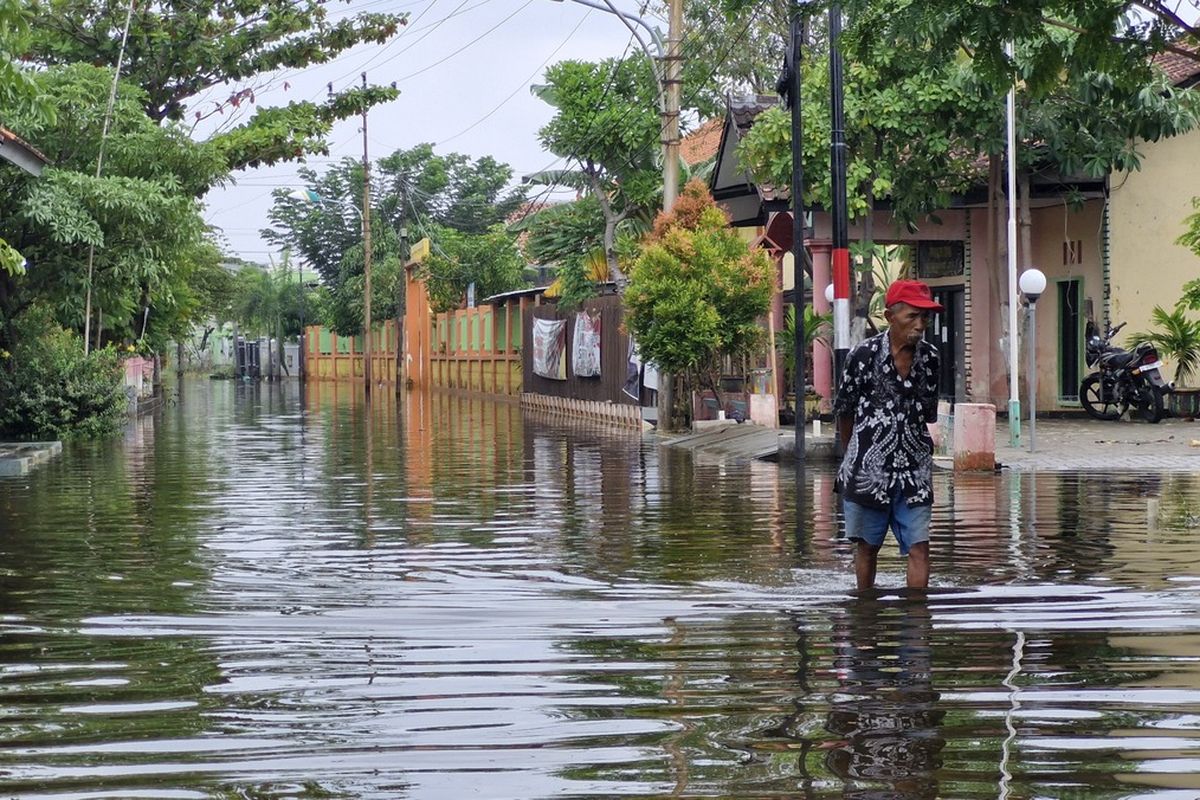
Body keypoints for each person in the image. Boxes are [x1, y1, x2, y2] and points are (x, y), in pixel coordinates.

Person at [833, 279, 942, 591]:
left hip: (915, 471)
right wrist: (852, 456)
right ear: (889, 316)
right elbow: (845, 410)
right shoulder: (862, 356)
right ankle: (864, 611)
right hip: (869, 471)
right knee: (868, 547)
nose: (920, 325)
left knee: (920, 547)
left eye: (925, 317)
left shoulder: (931, 358)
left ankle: (918, 618)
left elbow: (928, 413)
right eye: (913, 316)